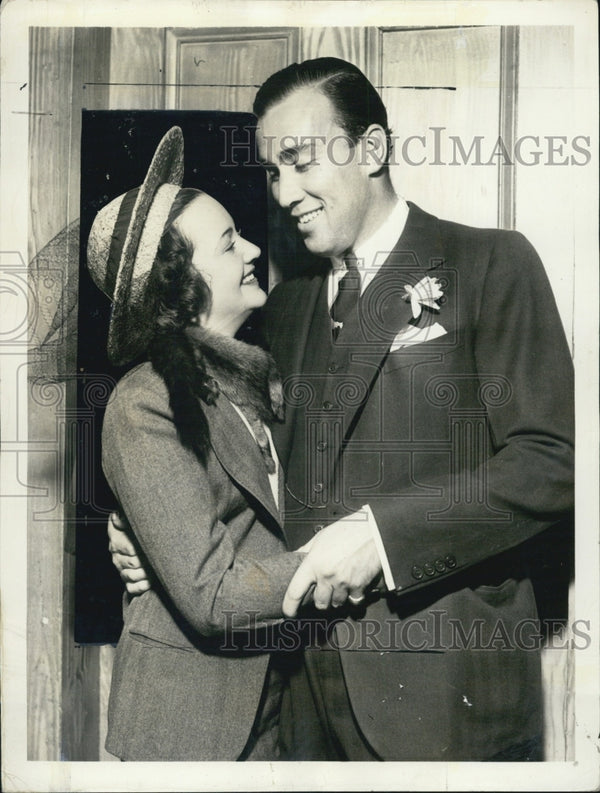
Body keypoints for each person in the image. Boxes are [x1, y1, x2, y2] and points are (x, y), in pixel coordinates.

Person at [109, 59, 574, 761]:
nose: (284, 191)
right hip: (300, 703)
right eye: (271, 170)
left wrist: (382, 538)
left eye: (299, 161)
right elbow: (238, 459)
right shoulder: (285, 305)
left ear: (374, 149)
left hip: (445, 703)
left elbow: (551, 462)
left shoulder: (492, 263)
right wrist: (146, 528)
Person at [88, 126, 314, 761]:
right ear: (180, 284)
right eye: (228, 243)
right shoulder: (145, 400)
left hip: (278, 708)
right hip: (188, 729)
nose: (250, 249)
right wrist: (343, 559)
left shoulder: (252, 372)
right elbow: (210, 596)